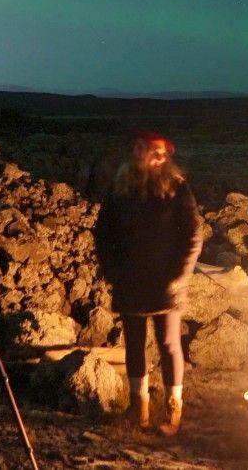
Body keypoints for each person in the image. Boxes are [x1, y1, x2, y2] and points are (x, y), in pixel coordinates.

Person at [92, 131, 203, 435]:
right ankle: (137, 408)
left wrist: (180, 274)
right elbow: (103, 232)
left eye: (157, 152)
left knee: (168, 344)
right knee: (135, 344)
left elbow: (193, 234)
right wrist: (112, 270)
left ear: (165, 156)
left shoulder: (177, 189)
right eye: (144, 150)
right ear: (136, 152)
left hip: (166, 281)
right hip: (131, 278)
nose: (151, 157)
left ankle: (172, 411)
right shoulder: (121, 190)